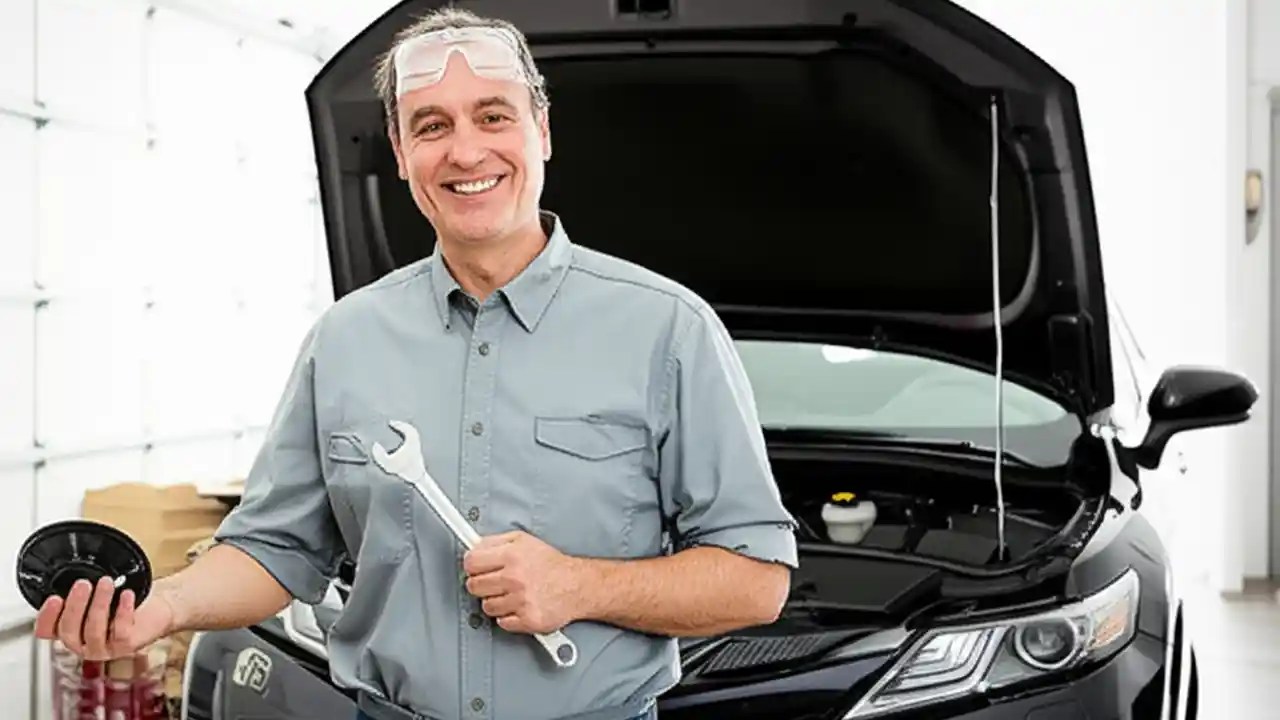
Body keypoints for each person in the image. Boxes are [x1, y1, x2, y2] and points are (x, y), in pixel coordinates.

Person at [34, 8, 798, 720]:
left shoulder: (667, 329)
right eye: (431, 125)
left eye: (493, 116)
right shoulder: (345, 340)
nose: (465, 151)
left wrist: (580, 584)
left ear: (541, 130)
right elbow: (277, 548)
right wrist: (163, 606)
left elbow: (756, 579)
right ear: (401, 154)